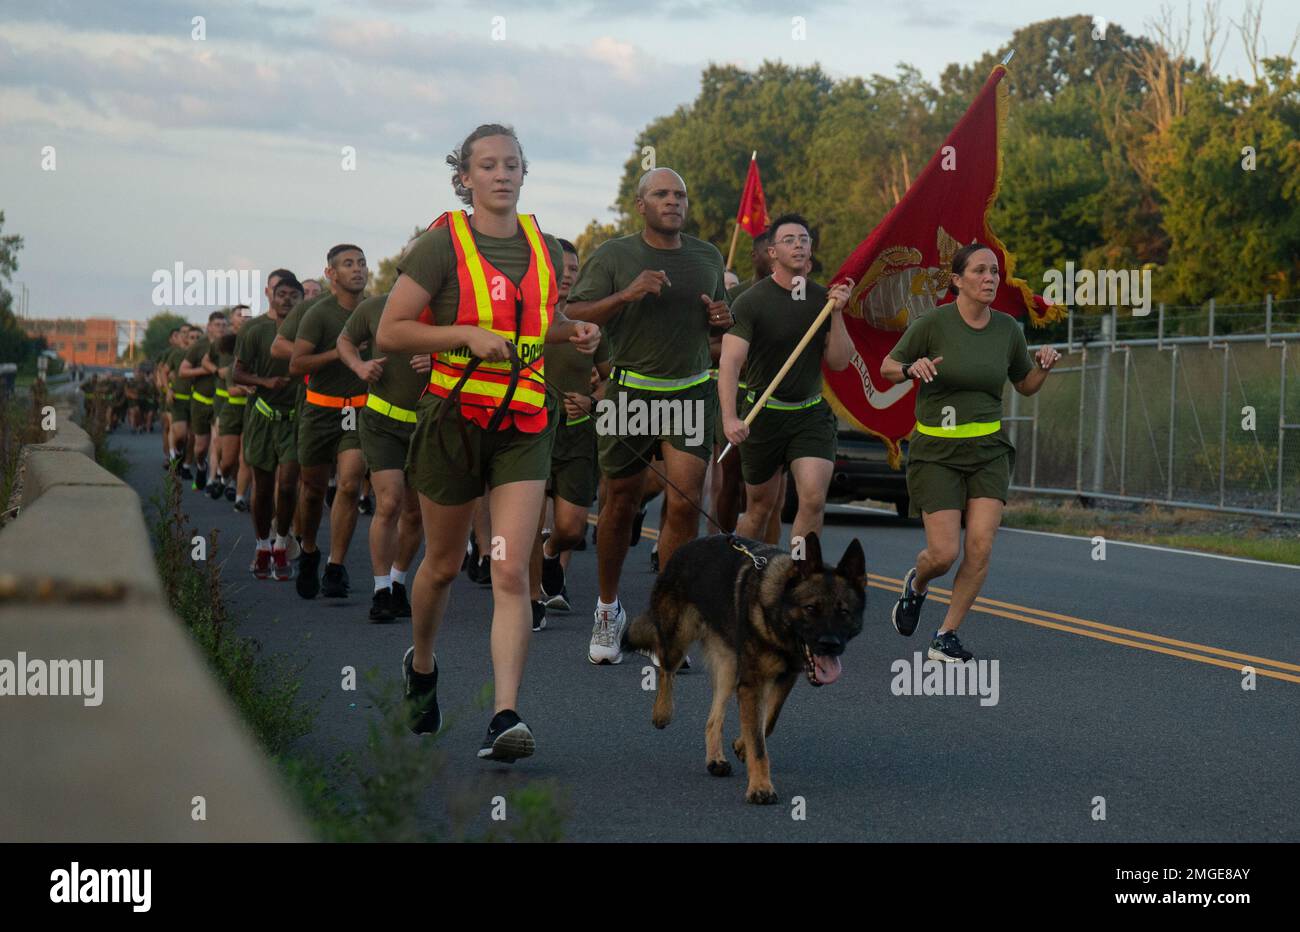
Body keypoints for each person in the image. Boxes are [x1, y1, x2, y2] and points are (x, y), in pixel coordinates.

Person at [377, 123, 600, 761]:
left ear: (524, 174)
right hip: (454, 420)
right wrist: (463, 335)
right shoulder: (439, 244)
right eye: (487, 165)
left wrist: (573, 331)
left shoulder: (544, 245)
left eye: (511, 164)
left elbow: (537, 326)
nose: (501, 174)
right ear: (465, 177)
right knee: (442, 567)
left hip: (525, 424)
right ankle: (422, 663)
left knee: (509, 568)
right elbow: (391, 332)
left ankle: (505, 715)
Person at [565, 166, 730, 665]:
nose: (673, 201)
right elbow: (573, 314)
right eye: (661, 194)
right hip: (630, 391)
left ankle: (666, 617)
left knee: (684, 502)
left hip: (690, 391)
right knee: (620, 502)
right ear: (641, 205)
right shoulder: (616, 255)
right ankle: (609, 608)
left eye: (680, 194)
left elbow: (719, 324)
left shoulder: (707, 256)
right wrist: (627, 294)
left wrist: (722, 319)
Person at [881, 243, 1060, 662]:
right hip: (937, 452)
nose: (990, 279)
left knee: (980, 545)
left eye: (995, 271)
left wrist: (1044, 368)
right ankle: (917, 586)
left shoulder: (1008, 330)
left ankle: (946, 635)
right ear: (958, 280)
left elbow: (1024, 384)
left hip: (988, 450)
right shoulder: (933, 323)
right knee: (943, 554)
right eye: (980, 271)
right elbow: (889, 367)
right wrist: (911, 368)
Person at [720, 213, 853, 543]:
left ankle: (798, 575)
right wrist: (729, 418)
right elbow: (730, 363)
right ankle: (744, 573)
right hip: (762, 415)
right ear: (772, 252)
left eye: (804, 240)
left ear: (810, 250)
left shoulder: (824, 300)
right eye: (789, 240)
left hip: (810, 416)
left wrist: (837, 314)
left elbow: (838, 362)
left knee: (812, 500)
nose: (798, 245)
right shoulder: (751, 301)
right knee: (760, 508)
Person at [338, 268, 429, 622]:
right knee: (388, 502)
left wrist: (439, 360)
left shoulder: (446, 312)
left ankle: (398, 581)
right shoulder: (376, 307)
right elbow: (345, 341)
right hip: (382, 419)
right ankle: (380, 590)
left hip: (426, 423)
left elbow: (470, 350)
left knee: (415, 511)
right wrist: (358, 366)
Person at [534, 238, 611, 620]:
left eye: (574, 269)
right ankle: (532, 600)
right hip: (531, 428)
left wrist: (593, 400)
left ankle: (551, 555)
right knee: (529, 519)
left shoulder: (589, 328)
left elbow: (614, 379)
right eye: (560, 266)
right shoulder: (527, 317)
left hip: (579, 431)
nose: (567, 274)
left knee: (571, 529)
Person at [289, 244, 371, 600]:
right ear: (331, 274)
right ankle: (308, 550)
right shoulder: (318, 314)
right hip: (319, 410)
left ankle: (336, 567)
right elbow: (296, 365)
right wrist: (340, 353)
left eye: (362, 263)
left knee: (350, 485)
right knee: (311, 492)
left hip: (359, 410)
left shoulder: (373, 311)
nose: (358, 269)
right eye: (348, 264)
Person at [234, 274, 305, 581]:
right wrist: (265, 382)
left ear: (302, 300)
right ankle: (262, 546)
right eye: (282, 294)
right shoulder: (254, 329)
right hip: (262, 416)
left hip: (296, 417)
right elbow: (237, 373)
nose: (287, 299)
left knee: (289, 485)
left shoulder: (307, 330)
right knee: (262, 489)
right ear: (271, 297)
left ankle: (281, 543)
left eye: (294, 295)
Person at [180, 311, 229, 493]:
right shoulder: (199, 347)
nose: (221, 328)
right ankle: (201, 466)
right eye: (217, 325)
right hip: (201, 401)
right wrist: (207, 370)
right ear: (209, 327)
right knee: (200, 448)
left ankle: (215, 478)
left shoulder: (230, 345)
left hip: (223, 402)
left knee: (219, 442)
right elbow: (183, 371)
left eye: (224, 325)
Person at [215, 306, 252, 507]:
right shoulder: (226, 346)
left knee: (245, 457)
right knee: (228, 459)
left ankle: (239, 497)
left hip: (252, 412)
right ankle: (223, 475)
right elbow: (233, 390)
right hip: (230, 410)